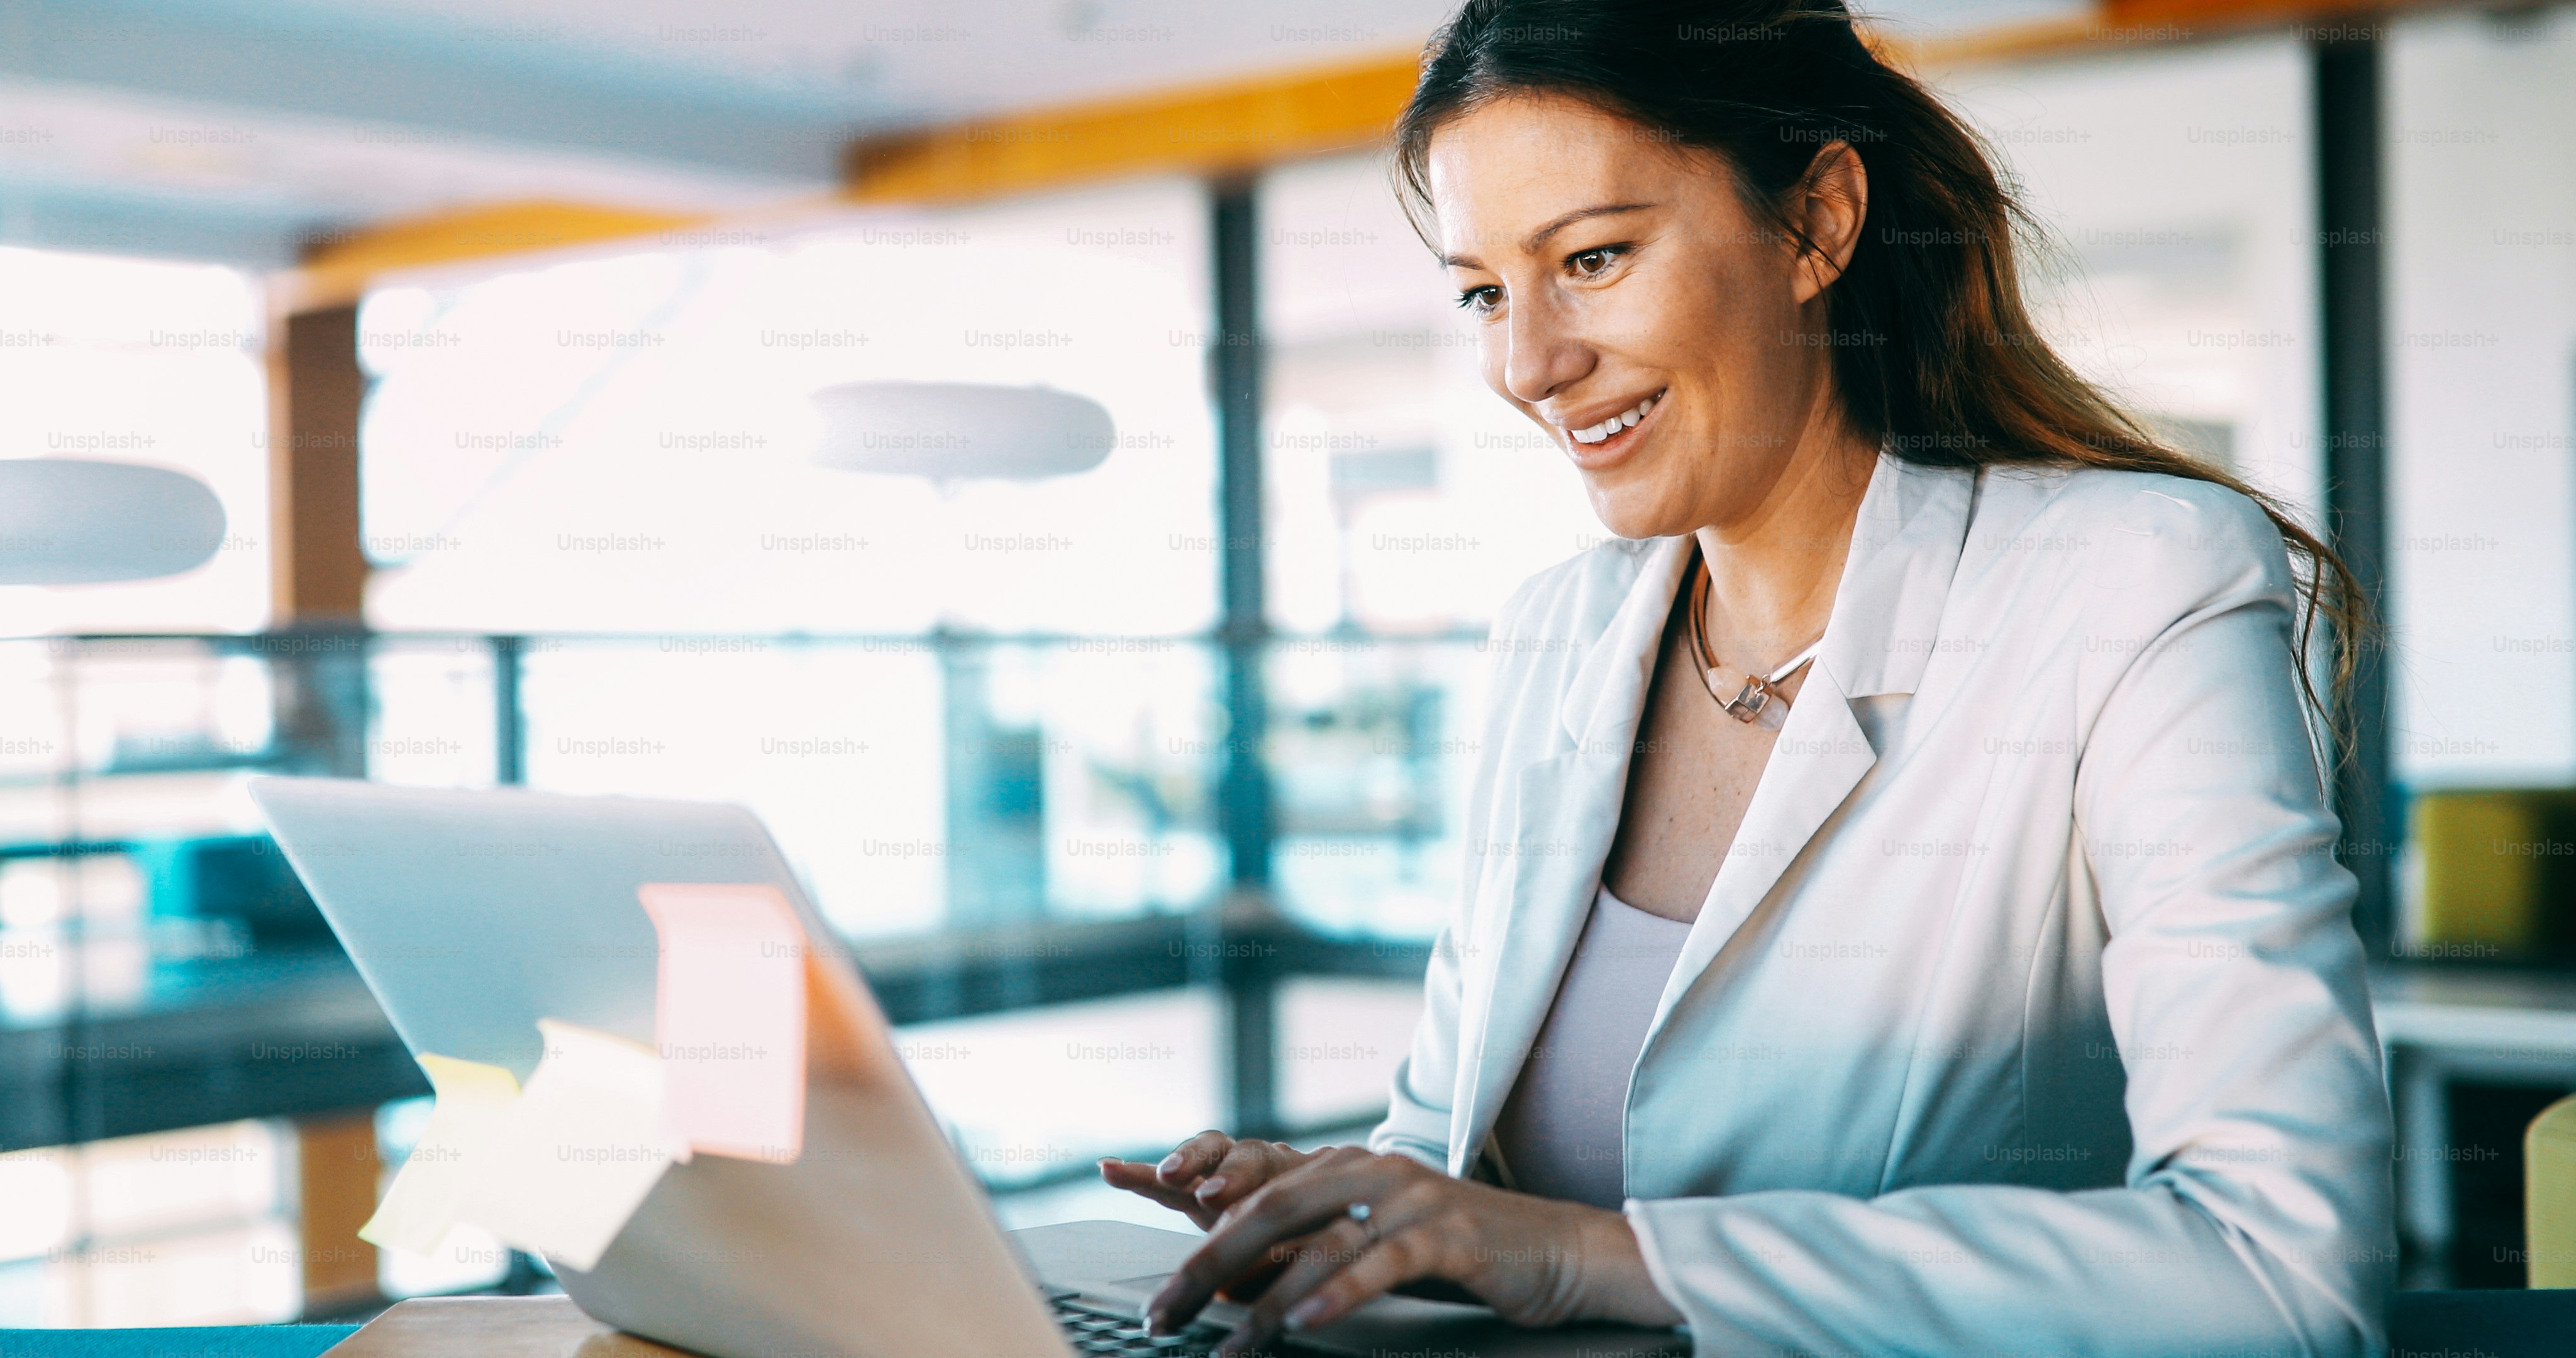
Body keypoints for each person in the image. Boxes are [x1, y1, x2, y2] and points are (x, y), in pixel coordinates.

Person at [1099, 1, 2394, 1353]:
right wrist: (1352, 1217)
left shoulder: (2130, 579)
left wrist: (1590, 1258)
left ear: (1817, 222)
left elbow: (2281, 1270)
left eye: (1592, 258)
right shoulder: (1554, 636)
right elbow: (1451, 1151)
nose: (1527, 364)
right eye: (1483, 291)